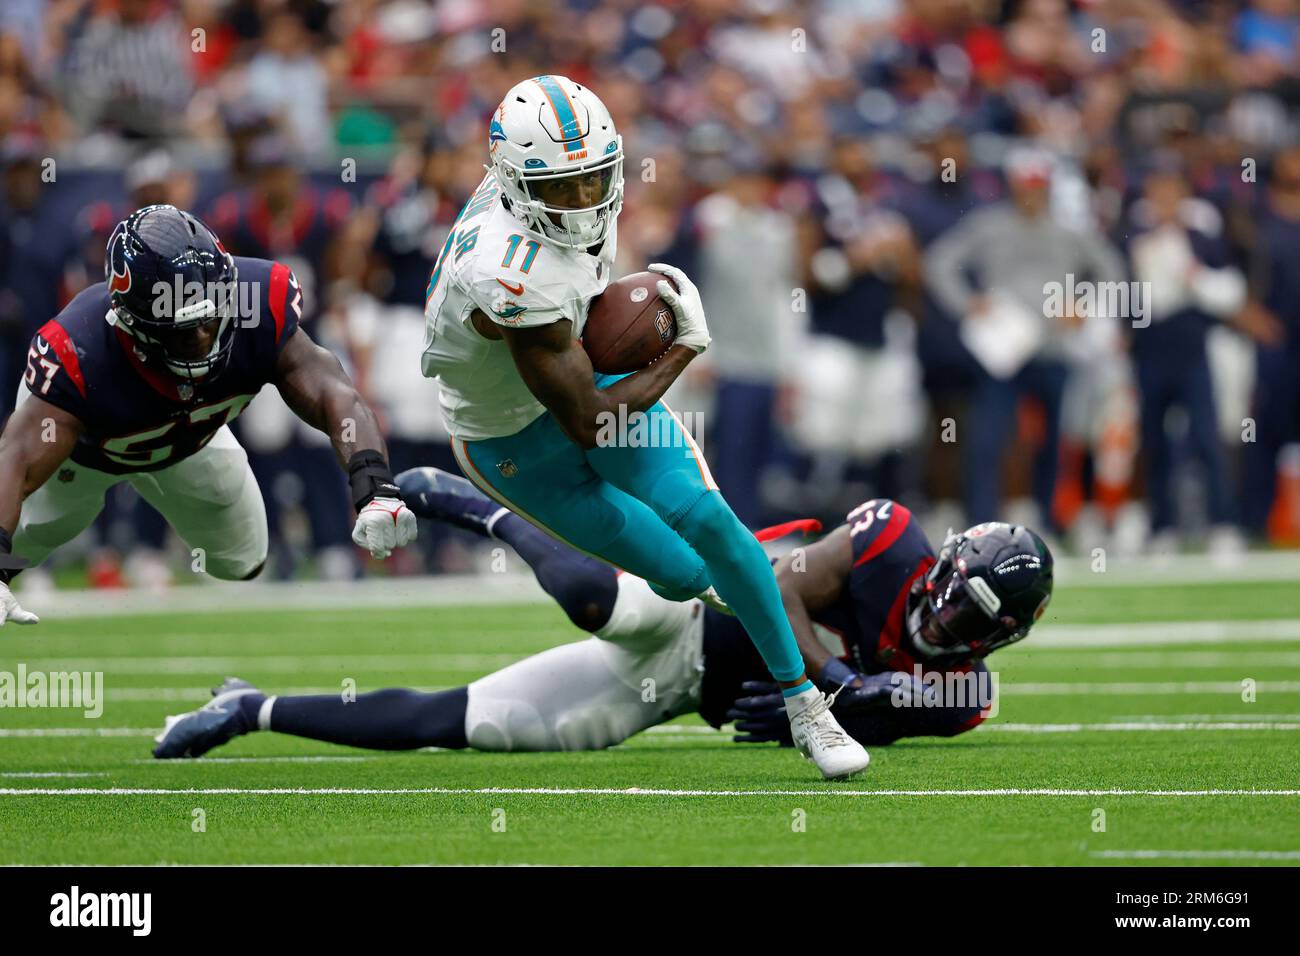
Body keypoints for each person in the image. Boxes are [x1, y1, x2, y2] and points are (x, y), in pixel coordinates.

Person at [417, 75, 867, 778]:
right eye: (560, 190)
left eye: (593, 179)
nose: (582, 202)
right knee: (684, 577)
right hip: (512, 440)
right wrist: (684, 347)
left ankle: (807, 705)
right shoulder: (507, 274)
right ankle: (745, 581)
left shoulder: (565, 195)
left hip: (580, 379)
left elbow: (587, 360)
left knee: (712, 525)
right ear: (510, 183)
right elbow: (591, 425)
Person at [152, 467, 1054, 759]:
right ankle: (471, 503)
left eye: (976, 627)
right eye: (955, 599)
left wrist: (813, 717)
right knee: (592, 598)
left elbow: (874, 726)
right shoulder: (889, 540)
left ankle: (249, 707)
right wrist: (830, 685)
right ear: (945, 561)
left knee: (468, 724)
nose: (949, 629)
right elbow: (779, 589)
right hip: (701, 609)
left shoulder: (966, 693)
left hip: (674, 693)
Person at [0, 204, 416, 623]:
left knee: (243, 560)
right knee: (28, 543)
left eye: (212, 313)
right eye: (183, 329)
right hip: (82, 461)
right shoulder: (80, 349)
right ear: (132, 323)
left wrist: (373, 482)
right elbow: (16, 453)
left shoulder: (256, 301)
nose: (203, 336)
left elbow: (333, 392)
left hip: (190, 440)